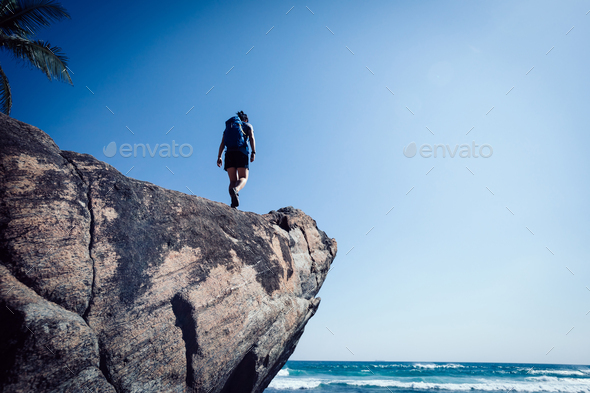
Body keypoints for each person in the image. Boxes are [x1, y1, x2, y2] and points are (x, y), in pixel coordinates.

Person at [217, 111, 256, 208]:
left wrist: (219, 157)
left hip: (229, 153)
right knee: (243, 177)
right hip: (241, 152)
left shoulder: (228, 128)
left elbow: (222, 143)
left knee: (232, 181)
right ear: (245, 119)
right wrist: (253, 152)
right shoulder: (247, 125)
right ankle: (236, 190)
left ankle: (233, 203)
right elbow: (251, 137)